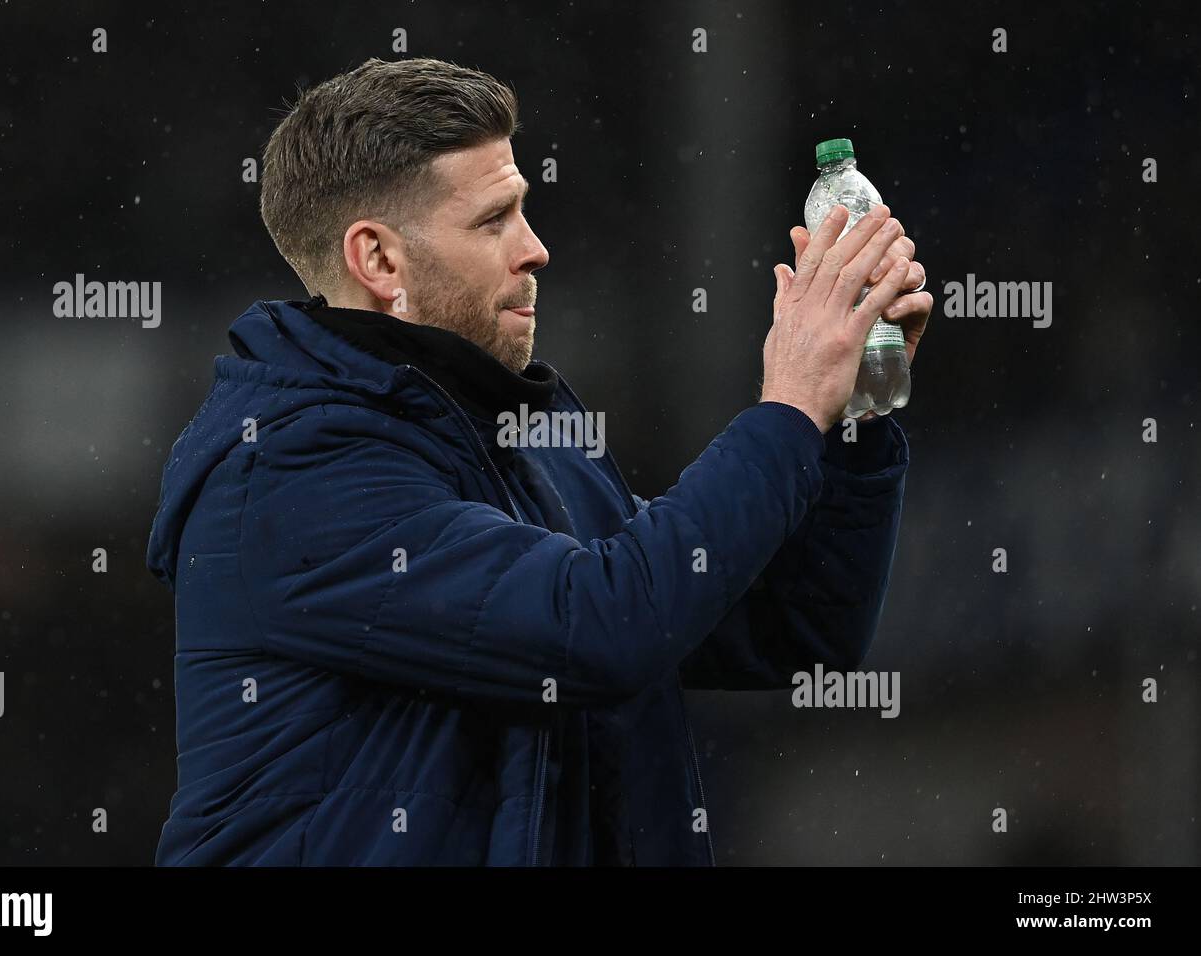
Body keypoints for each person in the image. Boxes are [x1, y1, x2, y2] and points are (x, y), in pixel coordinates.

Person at [146, 56, 933, 865]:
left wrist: (849, 417)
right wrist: (790, 404)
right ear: (379, 262)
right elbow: (596, 626)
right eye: (494, 221)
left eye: (523, 210)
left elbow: (790, 627)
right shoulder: (288, 469)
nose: (537, 249)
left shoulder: (521, 433)